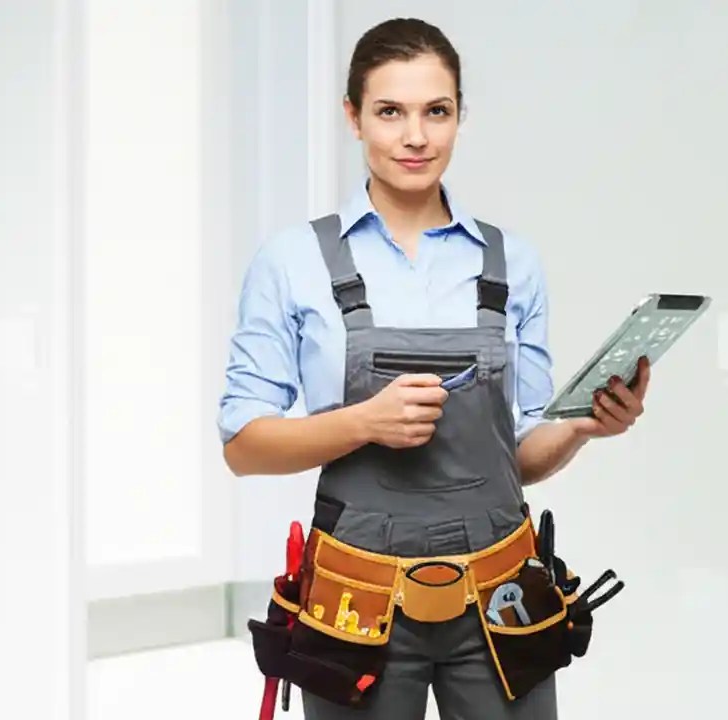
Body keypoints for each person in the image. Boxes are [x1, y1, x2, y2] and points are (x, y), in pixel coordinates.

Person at [218, 16, 649, 720]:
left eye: (436, 112)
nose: (415, 136)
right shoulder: (291, 262)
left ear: (459, 117)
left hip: (501, 602)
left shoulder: (513, 264)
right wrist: (363, 422)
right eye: (390, 111)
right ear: (353, 117)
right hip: (357, 606)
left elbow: (520, 459)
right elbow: (243, 446)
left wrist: (582, 429)